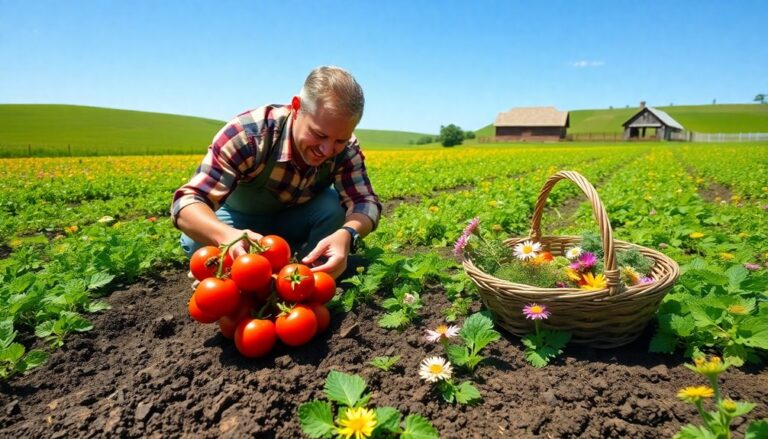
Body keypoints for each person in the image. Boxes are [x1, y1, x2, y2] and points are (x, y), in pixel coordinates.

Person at [171, 66, 381, 279]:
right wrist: (226, 235)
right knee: (195, 241)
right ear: (297, 108)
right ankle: (258, 270)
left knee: (333, 207)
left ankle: (305, 272)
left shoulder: (347, 149)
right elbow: (187, 202)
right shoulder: (249, 134)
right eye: (318, 134)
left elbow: (365, 201)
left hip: (293, 218)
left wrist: (348, 234)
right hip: (238, 220)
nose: (326, 150)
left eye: (339, 140)